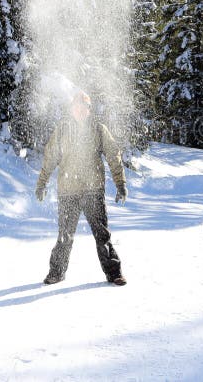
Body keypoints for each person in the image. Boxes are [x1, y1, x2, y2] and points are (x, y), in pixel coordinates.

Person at [35, 91, 128, 286]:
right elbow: (50, 158)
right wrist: (42, 183)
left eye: (84, 106)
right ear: (71, 108)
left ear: (88, 109)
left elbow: (113, 155)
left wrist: (120, 184)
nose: (80, 110)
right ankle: (56, 272)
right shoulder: (62, 130)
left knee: (102, 235)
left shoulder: (98, 129)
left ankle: (114, 273)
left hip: (93, 190)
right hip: (68, 191)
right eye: (76, 106)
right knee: (64, 235)